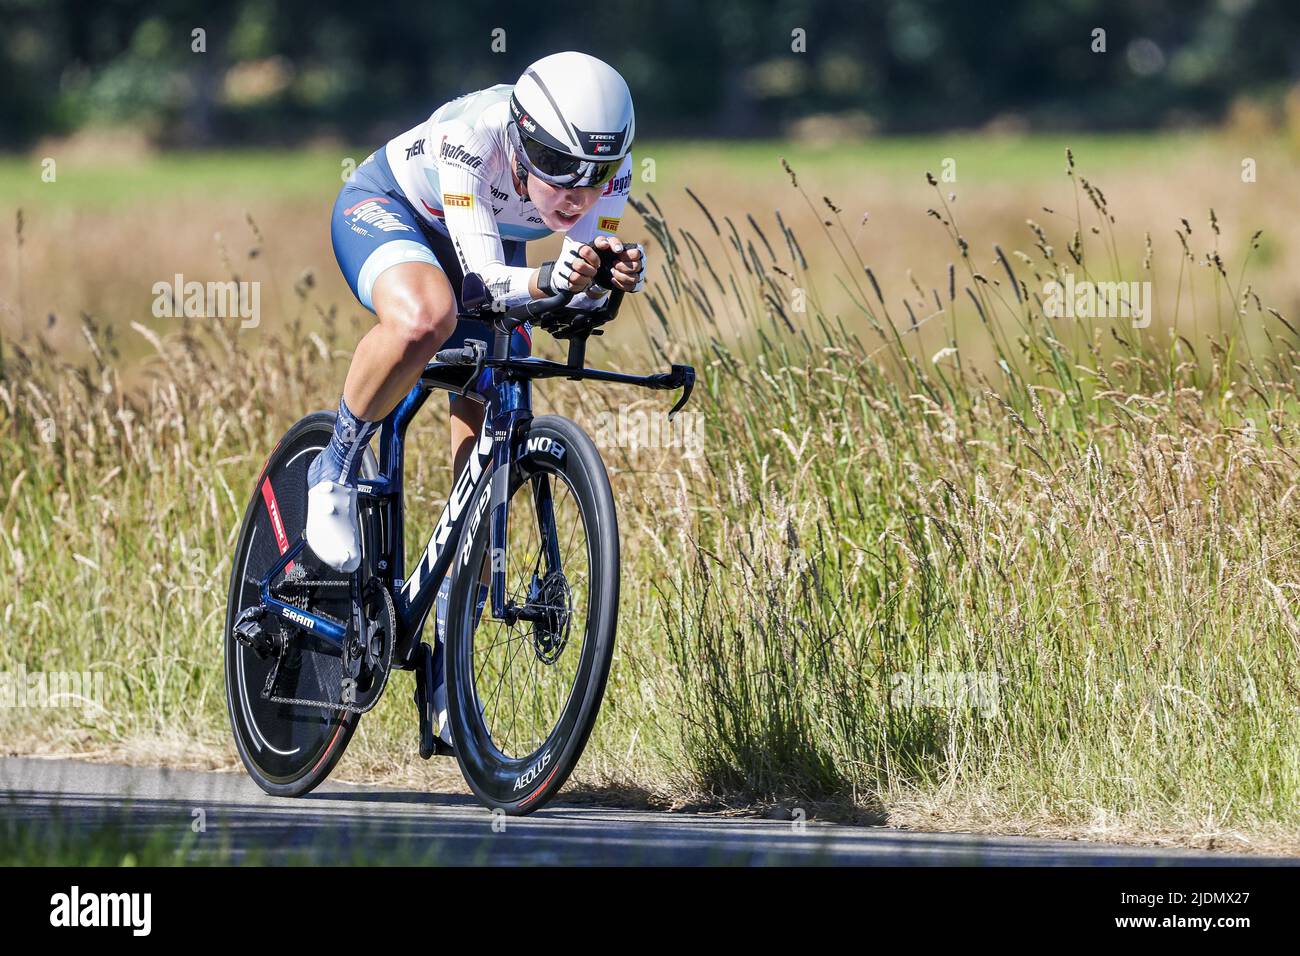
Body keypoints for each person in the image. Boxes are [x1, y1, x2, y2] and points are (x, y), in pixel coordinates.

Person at [310, 51, 646, 575]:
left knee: (499, 373)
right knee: (427, 317)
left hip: (490, 237)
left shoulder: (611, 167)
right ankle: (333, 468)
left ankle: (453, 590)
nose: (577, 195)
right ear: (522, 137)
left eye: (595, 175)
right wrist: (550, 278)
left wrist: (603, 279)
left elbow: (575, 290)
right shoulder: (473, 137)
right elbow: (484, 283)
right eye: (557, 166)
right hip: (396, 209)